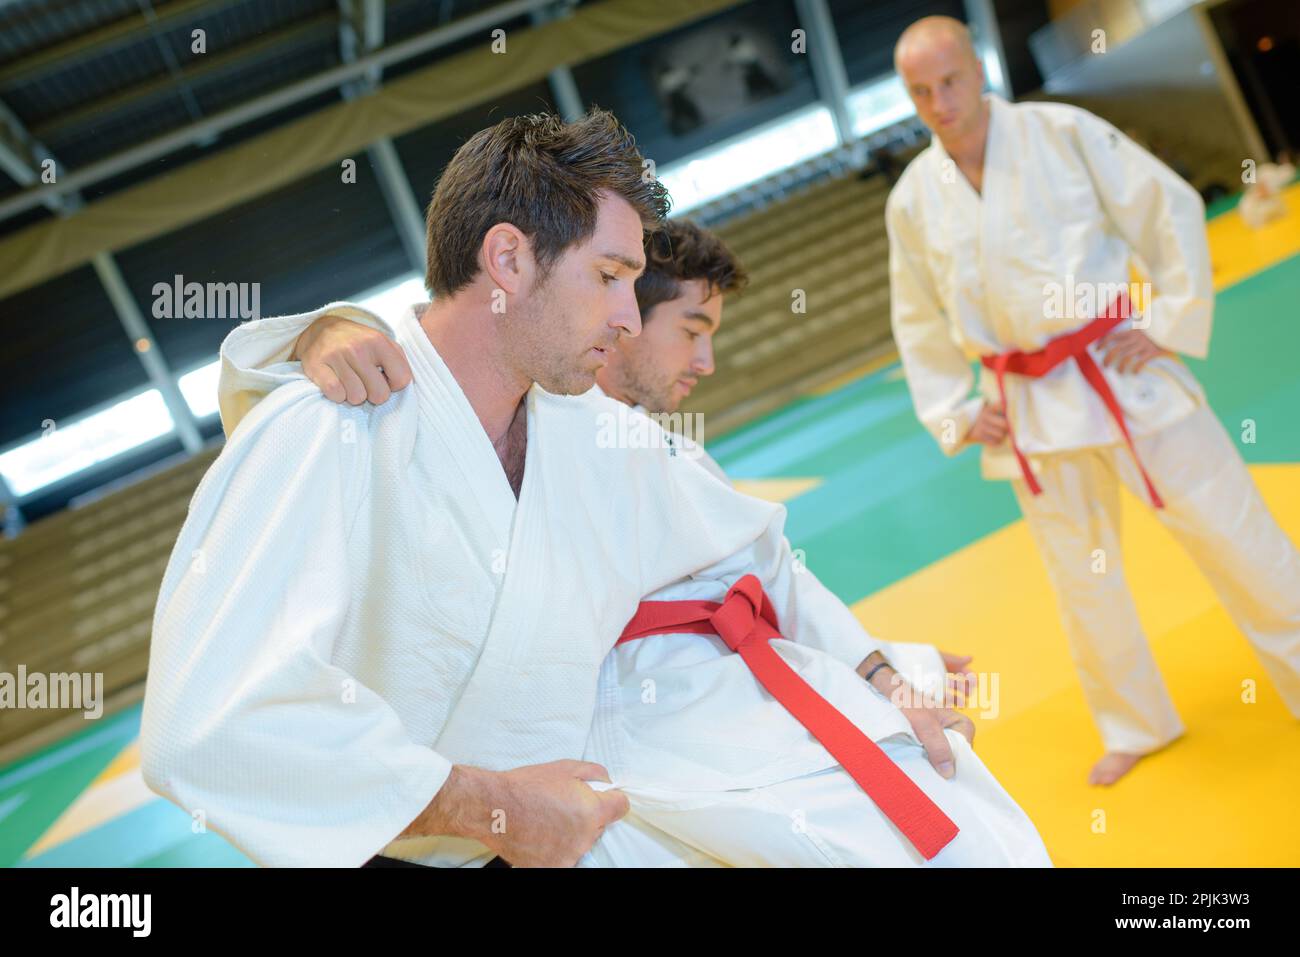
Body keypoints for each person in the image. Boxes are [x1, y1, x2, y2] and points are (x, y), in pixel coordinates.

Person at [147, 108, 1049, 868]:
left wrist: (884, 672)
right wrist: (490, 806)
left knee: (966, 825)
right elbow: (209, 720)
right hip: (428, 843)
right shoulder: (326, 428)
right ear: (507, 261)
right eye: (610, 276)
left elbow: (751, 554)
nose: (627, 314)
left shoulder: (592, 433)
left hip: (583, 815)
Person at [885, 16, 1300, 786]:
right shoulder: (913, 198)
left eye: (949, 80)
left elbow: (1168, 207)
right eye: (921, 91)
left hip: (1119, 371)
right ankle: (1135, 721)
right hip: (1026, 404)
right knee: (1083, 577)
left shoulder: (1061, 131)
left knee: (1235, 532)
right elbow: (914, 315)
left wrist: (1170, 320)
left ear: (978, 70)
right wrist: (954, 408)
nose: (939, 101)